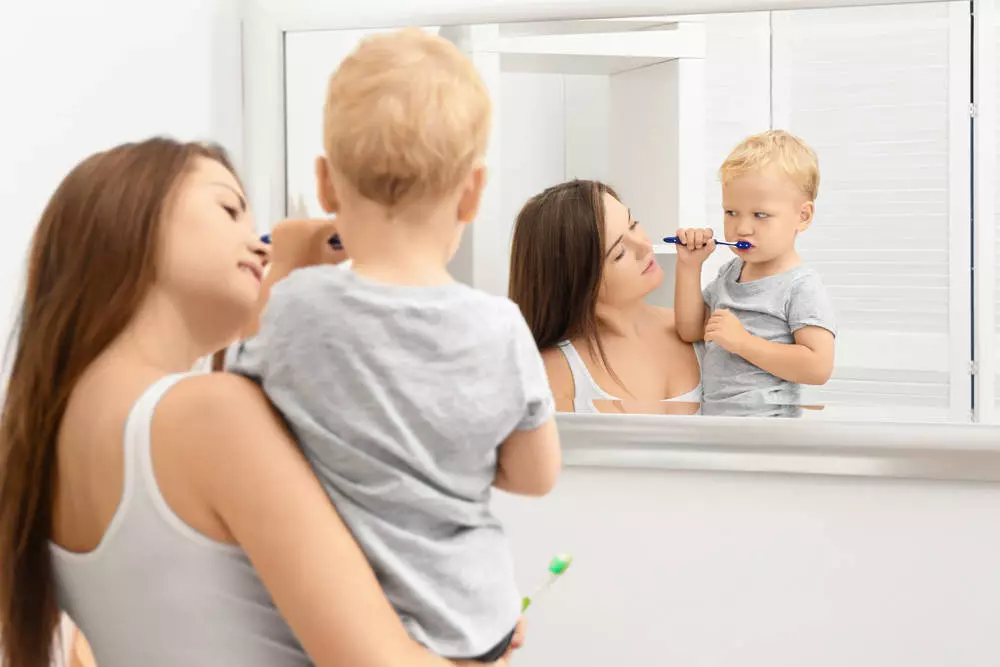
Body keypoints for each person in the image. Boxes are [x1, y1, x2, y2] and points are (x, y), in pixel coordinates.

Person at [0, 138, 521, 667]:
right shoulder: (207, 416)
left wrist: (290, 271)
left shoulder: (47, 441)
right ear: (132, 218)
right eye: (229, 210)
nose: (261, 245)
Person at [230, 29, 560, 662]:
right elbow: (536, 476)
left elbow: (242, 402)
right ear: (473, 190)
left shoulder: (296, 309)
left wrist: (288, 265)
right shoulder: (500, 326)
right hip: (475, 621)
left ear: (325, 186)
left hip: (340, 622)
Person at [508, 179, 702, 415]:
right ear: (578, 281)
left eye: (633, 225)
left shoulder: (697, 329)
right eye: (619, 253)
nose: (643, 246)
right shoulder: (556, 372)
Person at [673, 130, 837, 406]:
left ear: (803, 216)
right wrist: (689, 266)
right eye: (731, 212)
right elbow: (691, 330)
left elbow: (818, 367)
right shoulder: (729, 273)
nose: (742, 228)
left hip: (768, 432)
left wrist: (743, 342)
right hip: (721, 426)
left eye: (760, 215)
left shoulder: (800, 286)